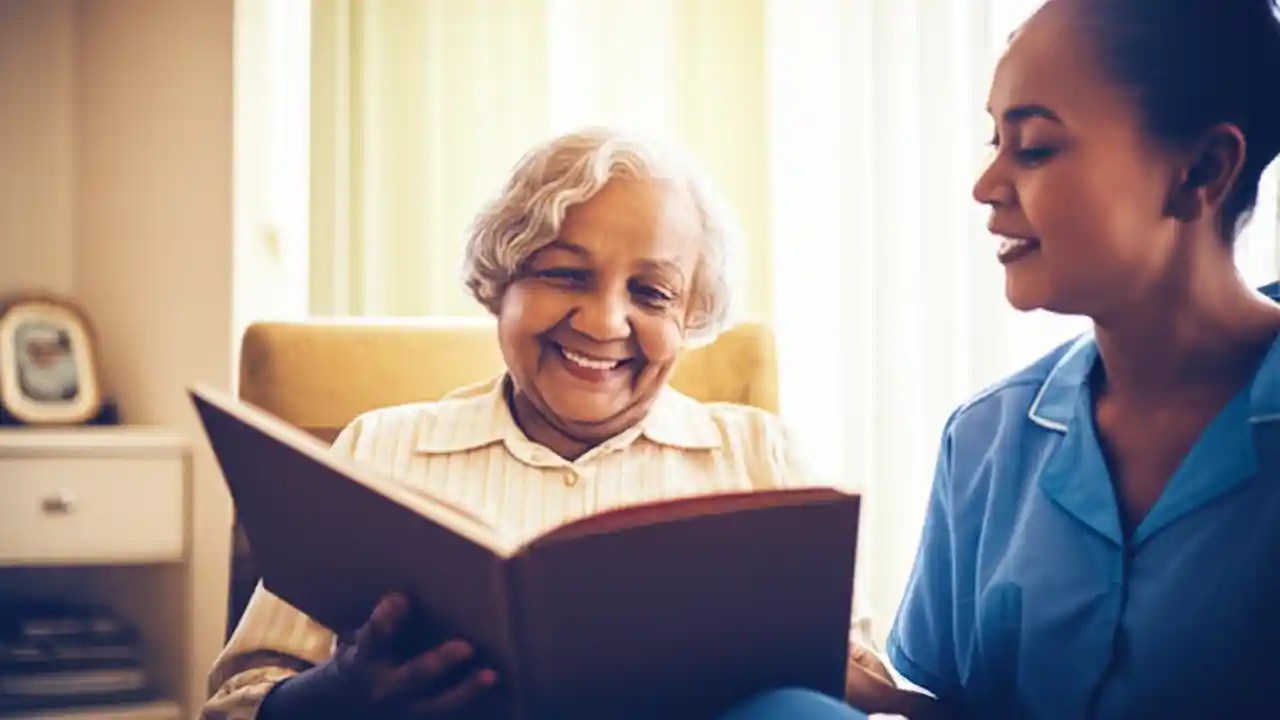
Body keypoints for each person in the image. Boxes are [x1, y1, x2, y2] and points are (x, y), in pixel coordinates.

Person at [722, 0, 1280, 718]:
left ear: (1201, 169)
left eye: (1036, 147)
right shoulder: (986, 438)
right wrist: (873, 697)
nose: (986, 187)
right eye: (995, 142)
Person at [200, 127, 816, 719]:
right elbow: (237, 704)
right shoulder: (379, 452)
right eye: (566, 274)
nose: (604, 324)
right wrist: (345, 691)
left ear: (692, 315)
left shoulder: (761, 458)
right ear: (501, 280)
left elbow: (842, 690)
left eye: (652, 293)